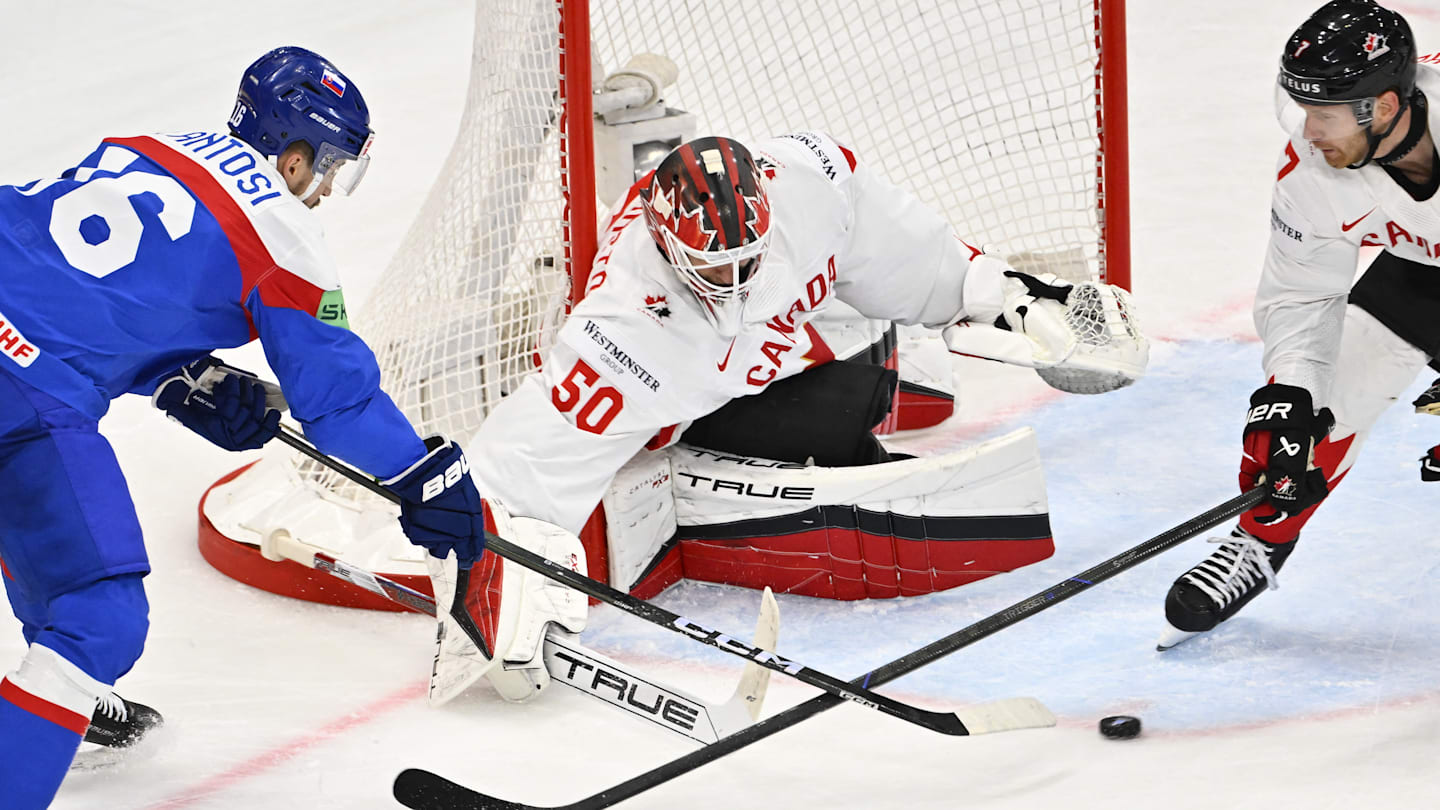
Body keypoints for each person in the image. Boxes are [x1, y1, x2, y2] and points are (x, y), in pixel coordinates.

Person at [433, 130, 1145, 703]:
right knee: (837, 422)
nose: (738, 280)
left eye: (751, 256)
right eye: (717, 269)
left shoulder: (809, 180)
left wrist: (1017, 298)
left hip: (792, 343)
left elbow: (917, 258)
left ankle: (887, 360)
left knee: (865, 369)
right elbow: (514, 471)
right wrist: (484, 569)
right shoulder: (624, 332)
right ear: (665, 247)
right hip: (687, 403)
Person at [0, 47, 488, 808]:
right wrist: (418, 475)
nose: (325, 193)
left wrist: (171, 374)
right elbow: (338, 403)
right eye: (328, 170)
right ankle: (56, 689)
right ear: (295, 159)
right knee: (99, 617)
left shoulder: (148, 148)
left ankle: (59, 700)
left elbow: (71, 279)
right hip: (21, 389)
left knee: (50, 535)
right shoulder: (281, 229)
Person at [1160, 0, 1439, 649]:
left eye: (1325, 113)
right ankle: (1261, 541)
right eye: (1302, 108)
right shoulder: (1312, 175)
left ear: (1386, 108)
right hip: (1424, 273)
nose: (1308, 131)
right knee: (1326, 403)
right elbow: (1301, 297)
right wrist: (1290, 395)